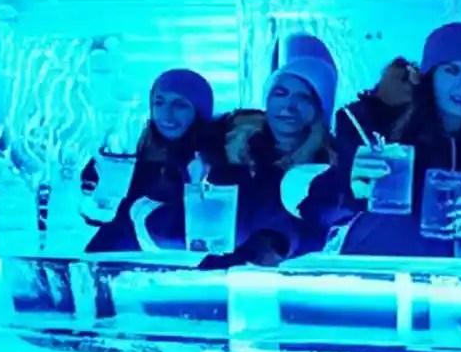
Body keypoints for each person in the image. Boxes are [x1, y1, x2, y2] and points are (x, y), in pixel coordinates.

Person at [318, 22, 461, 257]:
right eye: (451, 70)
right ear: (431, 74)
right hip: (377, 269)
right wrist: (351, 187)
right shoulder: (379, 131)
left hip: (451, 278)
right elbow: (316, 207)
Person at [141, 44, 340, 267]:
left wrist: (270, 244)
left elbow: (315, 229)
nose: (288, 106)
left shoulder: (329, 166)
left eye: (303, 98)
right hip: (197, 266)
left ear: (320, 108)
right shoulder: (224, 142)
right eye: (280, 93)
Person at [84, 69, 220, 253]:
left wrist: (196, 185)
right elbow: (117, 228)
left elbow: (195, 236)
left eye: (180, 105)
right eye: (159, 103)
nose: (166, 114)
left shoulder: (213, 161)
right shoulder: (148, 152)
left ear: (199, 110)